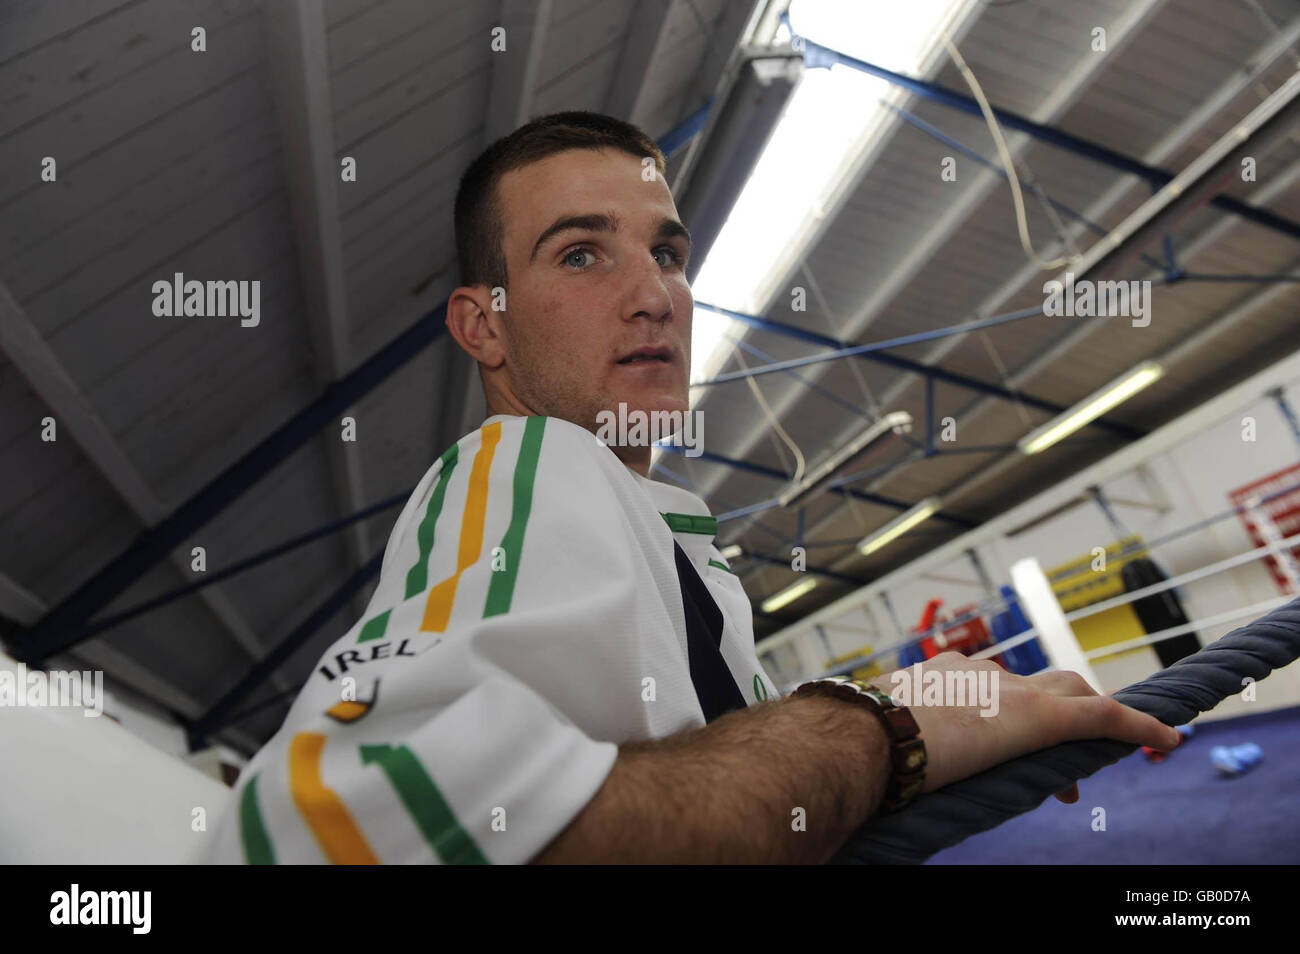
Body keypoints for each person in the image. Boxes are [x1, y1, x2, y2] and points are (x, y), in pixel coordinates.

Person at [206, 111, 1181, 865]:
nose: (652, 294)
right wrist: (891, 726)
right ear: (484, 327)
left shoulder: (673, 544)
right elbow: (336, 821)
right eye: (581, 253)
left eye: (666, 253)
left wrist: (934, 737)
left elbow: (715, 793)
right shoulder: (532, 464)